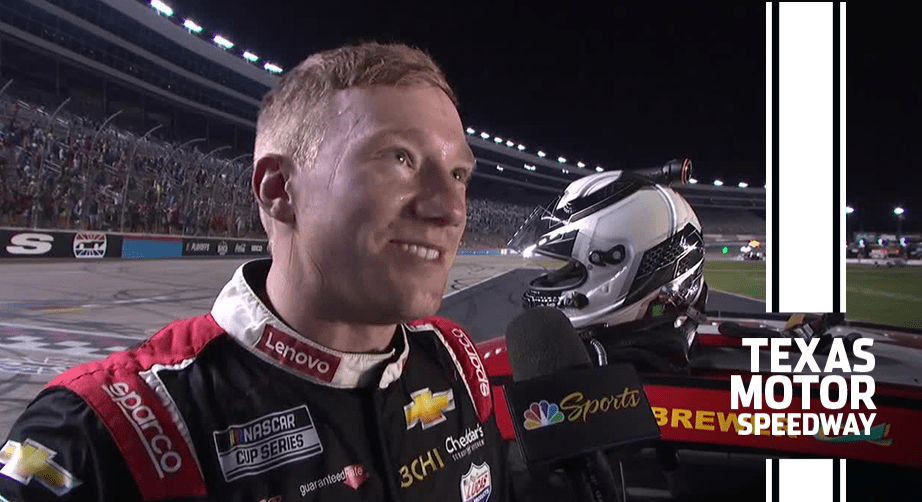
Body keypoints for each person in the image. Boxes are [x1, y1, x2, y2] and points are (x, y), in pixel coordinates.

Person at [0, 42, 510, 502]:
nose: (450, 208)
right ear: (278, 189)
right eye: (400, 158)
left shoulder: (456, 365)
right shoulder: (101, 433)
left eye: (459, 174)